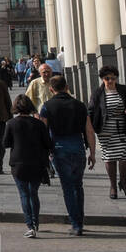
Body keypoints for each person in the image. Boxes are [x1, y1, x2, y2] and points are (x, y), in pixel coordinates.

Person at [41, 75, 96, 235]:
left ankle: (75, 223)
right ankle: (79, 220)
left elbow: (43, 132)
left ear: (51, 89)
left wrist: (46, 153)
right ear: (67, 86)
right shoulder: (80, 105)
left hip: (58, 147)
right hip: (78, 146)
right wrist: (92, 153)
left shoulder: (47, 106)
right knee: (78, 185)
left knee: (67, 187)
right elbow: (89, 130)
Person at [4, 94, 52, 237]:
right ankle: (36, 222)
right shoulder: (38, 124)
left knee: (24, 194)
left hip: (18, 163)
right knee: (33, 193)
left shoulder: (11, 124)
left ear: (16, 107)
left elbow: (5, 144)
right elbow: (48, 143)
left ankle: (30, 226)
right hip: (37, 163)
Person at [87, 66, 126, 199]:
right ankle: (113, 186)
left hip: (123, 127)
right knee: (110, 158)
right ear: (102, 79)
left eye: (113, 78)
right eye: (107, 78)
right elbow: (91, 110)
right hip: (105, 130)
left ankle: (124, 182)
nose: (110, 81)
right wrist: (89, 127)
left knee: (125, 157)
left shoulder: (123, 89)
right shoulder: (98, 93)